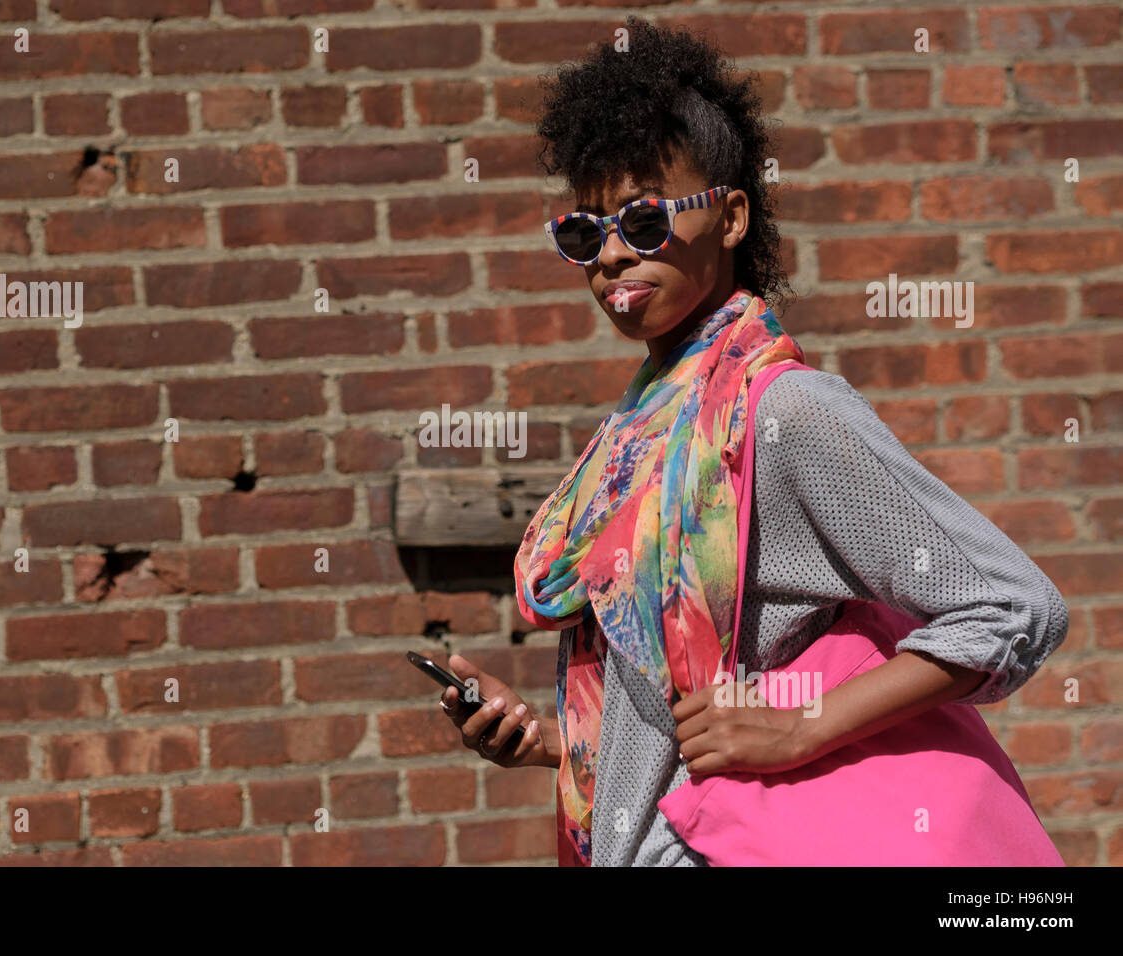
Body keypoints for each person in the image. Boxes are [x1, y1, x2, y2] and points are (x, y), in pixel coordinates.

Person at [437, 16, 1068, 866]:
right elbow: (685, 712)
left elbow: (1012, 608)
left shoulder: (782, 414)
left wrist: (799, 728)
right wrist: (554, 743)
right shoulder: (637, 439)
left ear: (730, 217)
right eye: (585, 235)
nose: (614, 257)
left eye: (647, 222)